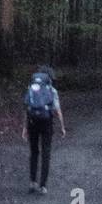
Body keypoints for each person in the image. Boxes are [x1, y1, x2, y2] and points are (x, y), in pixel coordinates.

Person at [22, 66, 66, 194]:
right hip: (47, 122)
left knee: (34, 151)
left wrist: (25, 127)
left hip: (32, 121)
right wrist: (62, 126)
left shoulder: (31, 88)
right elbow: (57, 110)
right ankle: (43, 185)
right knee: (46, 152)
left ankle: (32, 182)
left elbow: (27, 107)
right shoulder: (52, 90)